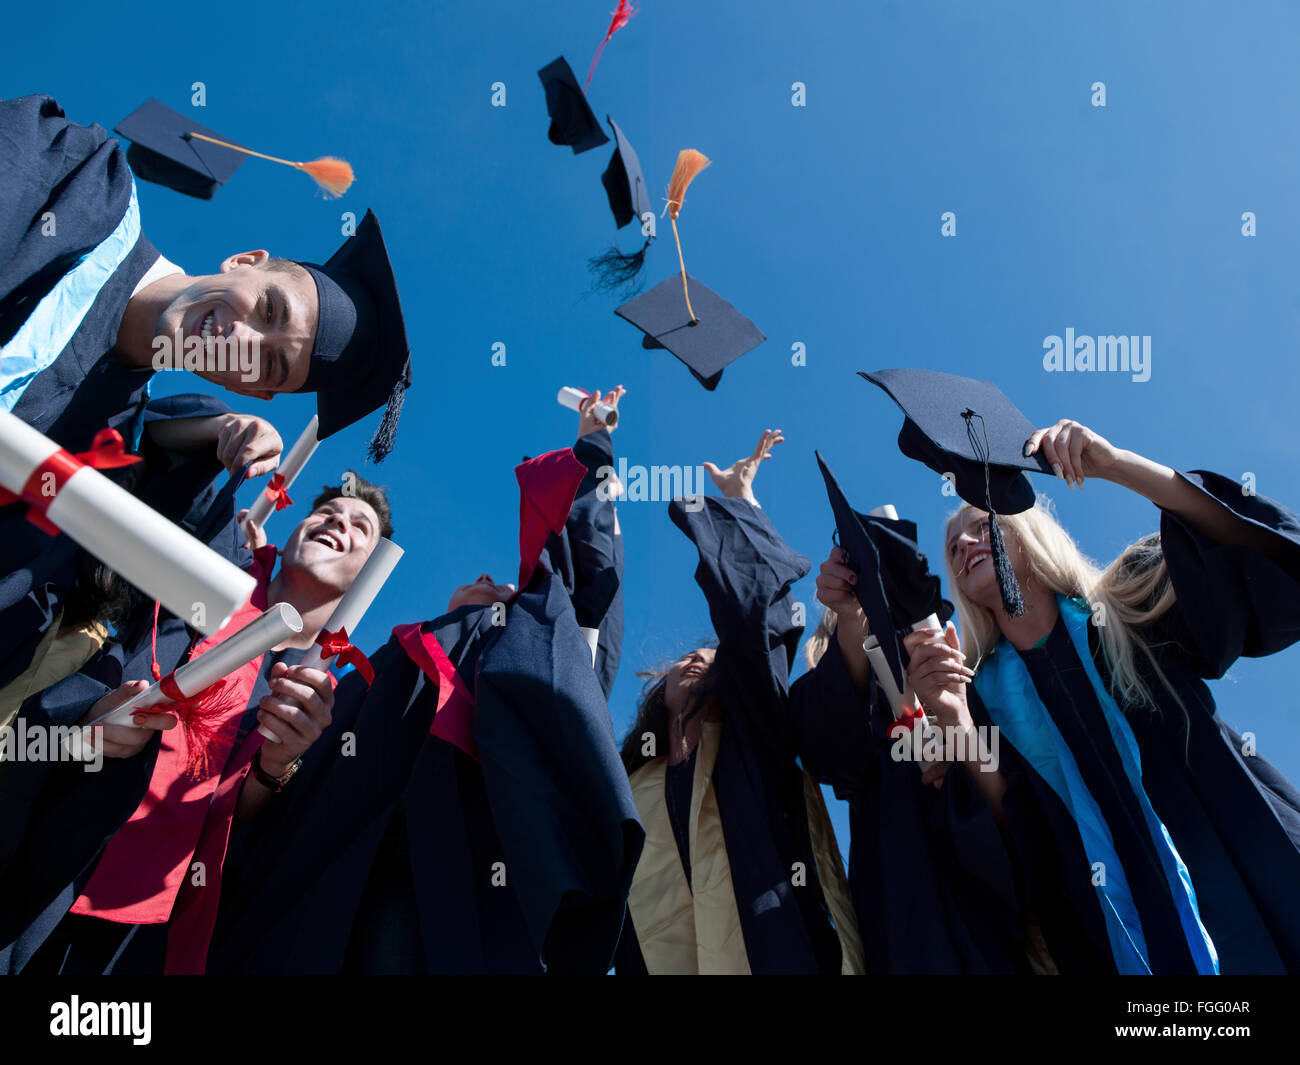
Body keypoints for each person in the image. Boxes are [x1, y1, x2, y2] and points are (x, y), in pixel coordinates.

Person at [207, 389, 643, 974]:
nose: (490, 579)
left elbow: (586, 559)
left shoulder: (526, 647)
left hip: (435, 894)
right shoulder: (365, 665)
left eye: (507, 590)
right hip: (304, 893)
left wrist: (594, 440)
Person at [911, 416, 1300, 974]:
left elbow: (1261, 550)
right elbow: (1018, 832)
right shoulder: (980, 697)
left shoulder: (1128, 604)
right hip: (1117, 935)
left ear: (1025, 527)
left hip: (1244, 877)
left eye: (979, 526)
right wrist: (952, 717)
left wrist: (1116, 465)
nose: (965, 544)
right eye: (952, 546)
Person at [0, 471, 394, 974]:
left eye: (361, 526)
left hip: (142, 915)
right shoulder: (207, 574)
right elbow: (169, 456)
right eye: (326, 512)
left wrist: (276, 766)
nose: (337, 519)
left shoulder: (323, 703)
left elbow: (241, 826)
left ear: (370, 575)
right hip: (45, 830)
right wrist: (92, 717)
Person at [614, 430, 862, 975]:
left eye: (714, 654)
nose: (700, 658)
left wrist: (742, 501)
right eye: (689, 657)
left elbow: (757, 620)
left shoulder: (756, 741)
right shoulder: (631, 787)